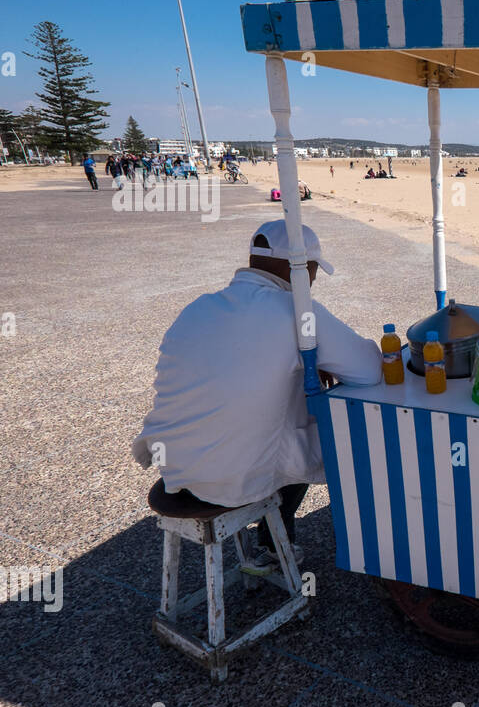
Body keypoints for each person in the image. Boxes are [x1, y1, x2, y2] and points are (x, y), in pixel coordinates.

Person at [131, 221, 381, 566]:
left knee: (277, 421)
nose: (313, 280)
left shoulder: (197, 308)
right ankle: (371, 537)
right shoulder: (297, 312)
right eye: (313, 270)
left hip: (176, 465)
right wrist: (319, 359)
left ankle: (272, 540)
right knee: (331, 435)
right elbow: (369, 370)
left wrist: (311, 359)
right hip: (231, 478)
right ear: (299, 267)